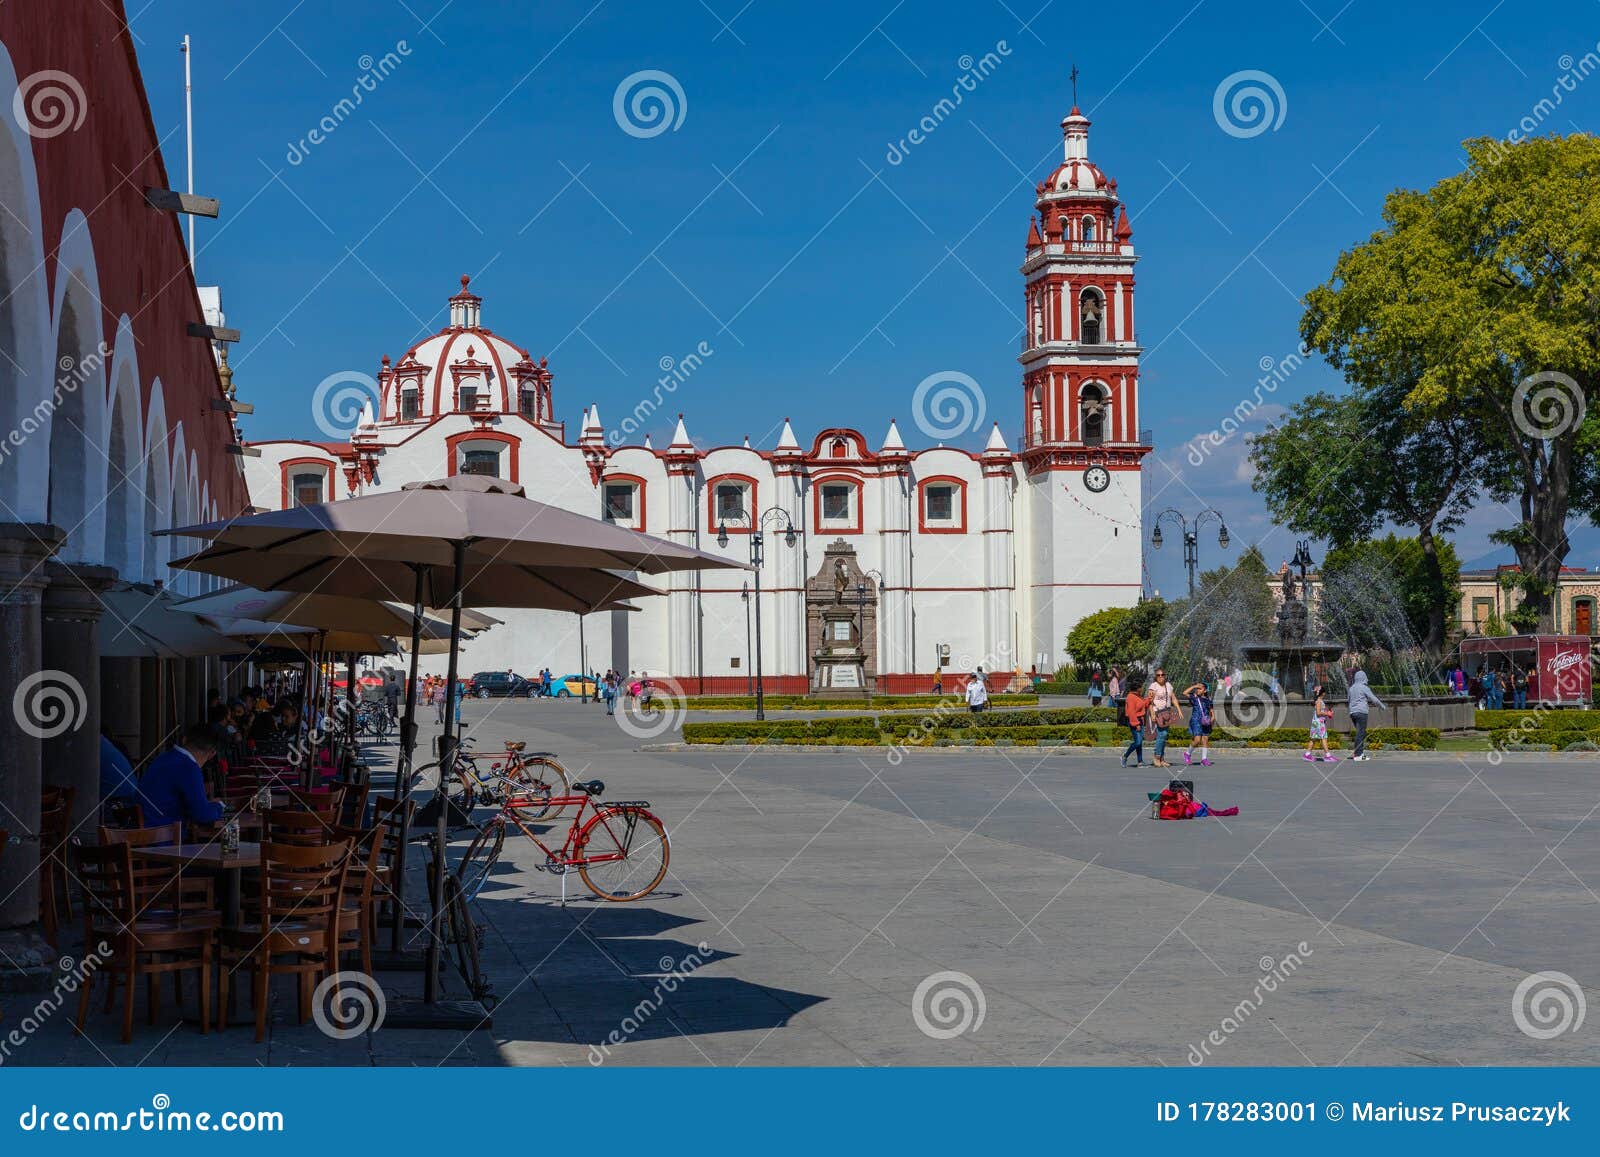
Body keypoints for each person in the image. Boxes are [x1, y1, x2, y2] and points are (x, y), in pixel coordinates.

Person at [138, 722, 227, 831]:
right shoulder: (189, 767)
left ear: (184, 739)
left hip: (143, 831)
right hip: (164, 838)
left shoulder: (163, 757)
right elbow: (202, 815)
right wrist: (219, 806)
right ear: (212, 753)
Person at [1345, 668, 1385, 762]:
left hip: (1353, 713)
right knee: (1361, 733)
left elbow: (1349, 700)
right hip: (1361, 712)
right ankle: (1358, 755)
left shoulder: (1351, 688)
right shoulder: (1364, 687)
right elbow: (1373, 699)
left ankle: (1359, 753)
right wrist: (1381, 706)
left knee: (1360, 733)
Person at [1145, 668, 1176, 768]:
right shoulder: (1153, 686)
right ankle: (1157, 757)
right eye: (1158, 675)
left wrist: (1178, 710)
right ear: (1155, 676)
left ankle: (1162, 759)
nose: (1160, 677)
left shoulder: (1168, 685)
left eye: (1162, 674)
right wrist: (1152, 714)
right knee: (1162, 734)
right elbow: (1149, 701)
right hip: (1157, 712)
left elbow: (1173, 698)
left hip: (1166, 713)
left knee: (1164, 735)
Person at [1303, 685, 1338, 763]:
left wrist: (1327, 713)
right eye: (1324, 692)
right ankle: (1328, 756)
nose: (1325, 694)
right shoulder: (1319, 701)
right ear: (1322, 693)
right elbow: (1318, 713)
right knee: (1323, 738)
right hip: (1319, 723)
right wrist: (1327, 713)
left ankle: (1307, 754)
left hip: (1317, 722)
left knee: (1313, 738)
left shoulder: (1319, 701)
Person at [1182, 680, 1213, 766]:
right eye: (1197, 689)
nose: (1198, 690)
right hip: (1196, 720)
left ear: (1205, 690)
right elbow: (1184, 693)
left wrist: (1212, 719)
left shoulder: (1208, 700)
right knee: (1197, 740)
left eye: (1200, 688)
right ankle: (1187, 753)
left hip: (1205, 721)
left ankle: (1204, 759)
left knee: (1205, 739)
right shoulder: (1194, 697)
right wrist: (1194, 686)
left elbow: (1211, 712)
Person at [1120, 683, 1149, 768]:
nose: (1142, 689)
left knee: (1139, 743)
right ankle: (1125, 756)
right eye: (1141, 687)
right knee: (1138, 742)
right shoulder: (1130, 697)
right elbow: (1131, 712)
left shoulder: (1138, 696)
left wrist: (1149, 699)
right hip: (1135, 721)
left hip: (1141, 720)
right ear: (1138, 688)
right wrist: (1136, 724)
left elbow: (1144, 705)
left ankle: (1140, 761)